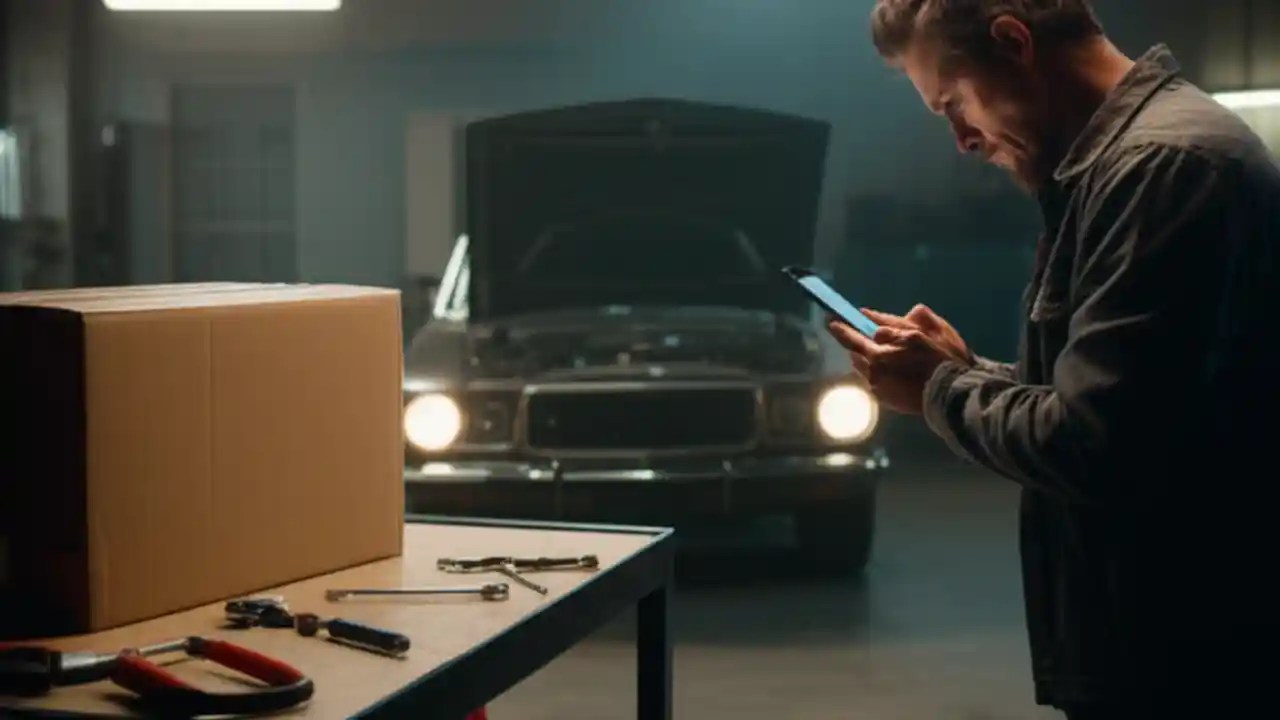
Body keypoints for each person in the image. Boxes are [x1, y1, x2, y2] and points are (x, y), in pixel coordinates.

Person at [830, 1, 1280, 718]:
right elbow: (1135, 401)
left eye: (956, 104)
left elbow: (1094, 439)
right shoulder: (1132, 166)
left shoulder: (1160, 170)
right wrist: (966, 371)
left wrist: (941, 388)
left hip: (1186, 666)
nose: (961, 141)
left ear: (1013, 41)